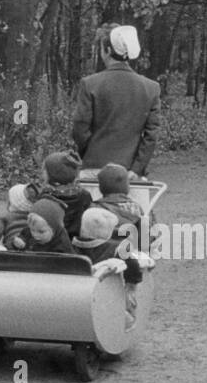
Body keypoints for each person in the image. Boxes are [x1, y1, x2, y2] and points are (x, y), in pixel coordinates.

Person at [71, 24, 160, 178]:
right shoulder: (151, 87)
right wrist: (137, 168)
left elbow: (80, 128)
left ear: (107, 51)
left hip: (94, 167)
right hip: (129, 171)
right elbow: (151, 135)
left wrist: (86, 154)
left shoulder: (90, 84)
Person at [31, 152, 92, 238]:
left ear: (53, 173)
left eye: (45, 170)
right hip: (77, 243)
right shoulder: (84, 195)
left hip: (52, 243)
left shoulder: (46, 196)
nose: (42, 172)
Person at [93, 163, 145, 237]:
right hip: (129, 246)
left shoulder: (94, 208)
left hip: (104, 246)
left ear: (101, 187)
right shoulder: (136, 208)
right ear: (126, 186)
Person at [0, 184, 34, 249]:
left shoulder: (5, 217)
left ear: (10, 203)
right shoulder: (34, 217)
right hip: (32, 249)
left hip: (11, 250)